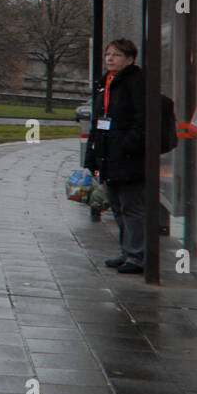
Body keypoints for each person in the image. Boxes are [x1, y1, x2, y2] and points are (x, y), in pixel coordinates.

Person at [83, 39, 147, 275]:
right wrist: (92, 155)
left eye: (117, 55)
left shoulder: (135, 83)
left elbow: (142, 121)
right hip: (108, 156)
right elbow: (97, 121)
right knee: (118, 207)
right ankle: (126, 252)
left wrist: (126, 145)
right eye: (108, 54)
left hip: (127, 157)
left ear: (130, 59)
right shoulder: (105, 84)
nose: (110, 59)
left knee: (132, 207)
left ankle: (137, 255)